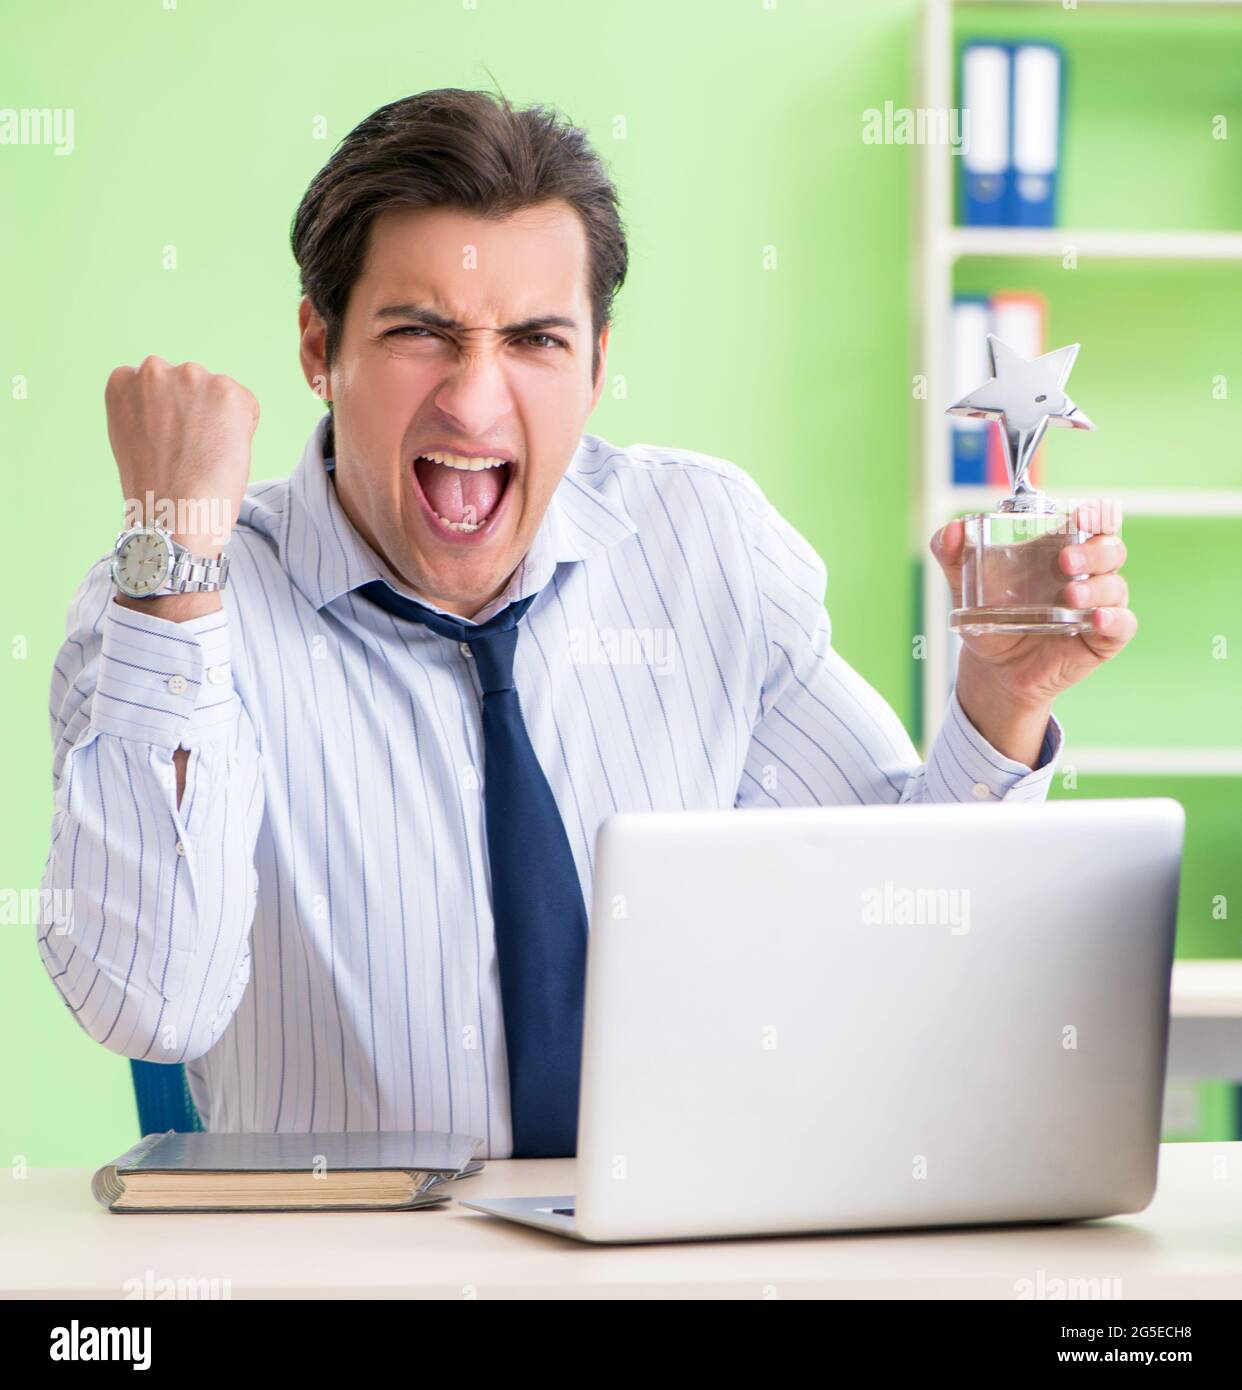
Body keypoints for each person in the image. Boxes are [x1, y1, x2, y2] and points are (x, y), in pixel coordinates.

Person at [37, 89, 1134, 1158]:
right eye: (421, 331)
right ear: (321, 348)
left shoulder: (705, 545)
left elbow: (905, 928)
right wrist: (177, 555)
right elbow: (151, 1005)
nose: (473, 400)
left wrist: (1001, 700)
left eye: (535, 340)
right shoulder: (173, 603)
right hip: (348, 1267)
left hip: (679, 1255)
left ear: (600, 364)